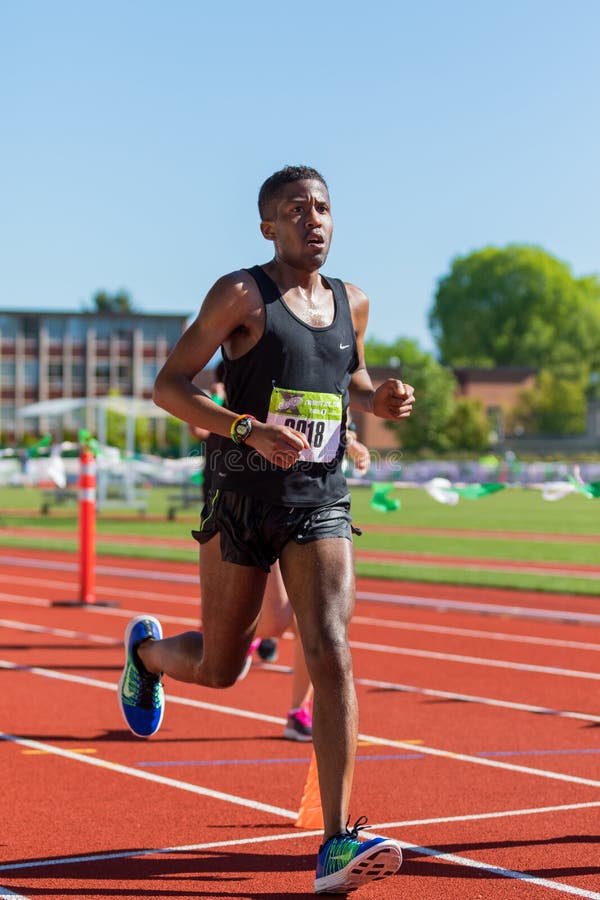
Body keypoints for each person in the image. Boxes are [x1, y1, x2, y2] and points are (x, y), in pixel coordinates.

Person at [118, 164, 415, 894]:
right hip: (241, 499)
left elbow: (349, 378)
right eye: (296, 209)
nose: (313, 219)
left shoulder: (353, 301)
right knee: (223, 667)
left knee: (331, 647)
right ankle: (149, 656)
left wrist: (378, 397)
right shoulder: (241, 293)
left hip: (320, 500)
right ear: (268, 226)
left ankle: (337, 841)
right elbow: (169, 386)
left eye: (322, 207)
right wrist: (246, 429)